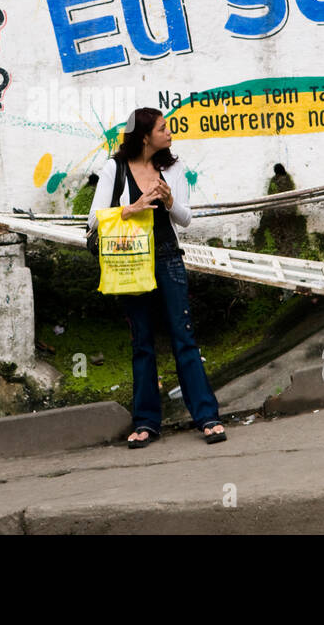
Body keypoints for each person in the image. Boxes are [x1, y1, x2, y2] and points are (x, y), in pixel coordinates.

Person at [88, 107, 227, 447]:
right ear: (145, 136)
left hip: (167, 259)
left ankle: (207, 416)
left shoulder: (173, 168)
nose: (169, 133)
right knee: (143, 344)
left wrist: (168, 199)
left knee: (184, 337)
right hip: (131, 263)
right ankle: (147, 422)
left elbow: (185, 218)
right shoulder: (114, 168)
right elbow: (93, 221)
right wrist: (130, 209)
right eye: (163, 128)